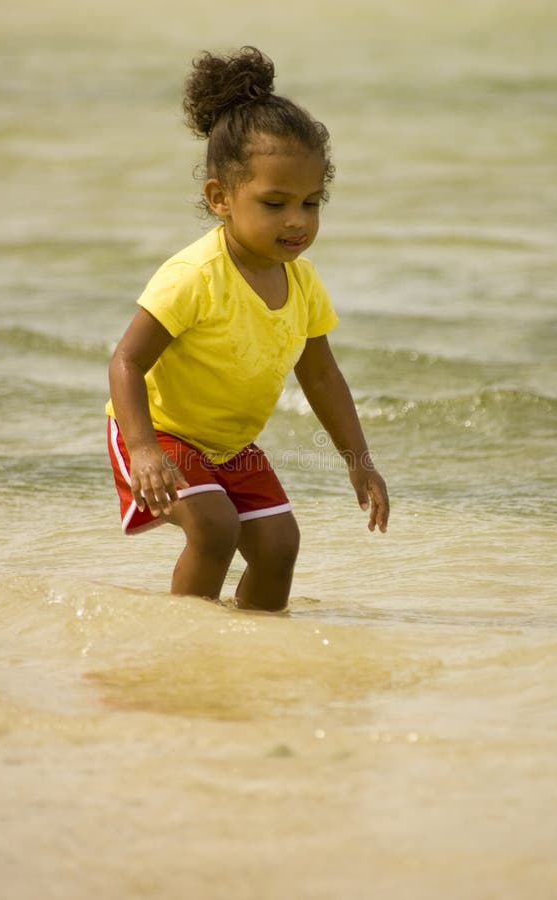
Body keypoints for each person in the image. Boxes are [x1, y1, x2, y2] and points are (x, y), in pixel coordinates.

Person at [106, 46, 389, 612]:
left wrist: (360, 461)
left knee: (280, 544)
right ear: (220, 199)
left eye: (312, 203)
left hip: (231, 445)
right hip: (161, 432)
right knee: (214, 529)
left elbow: (323, 378)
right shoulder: (194, 276)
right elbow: (127, 362)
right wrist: (142, 449)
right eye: (275, 202)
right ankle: (185, 641)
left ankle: (254, 655)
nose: (297, 221)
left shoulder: (302, 283)